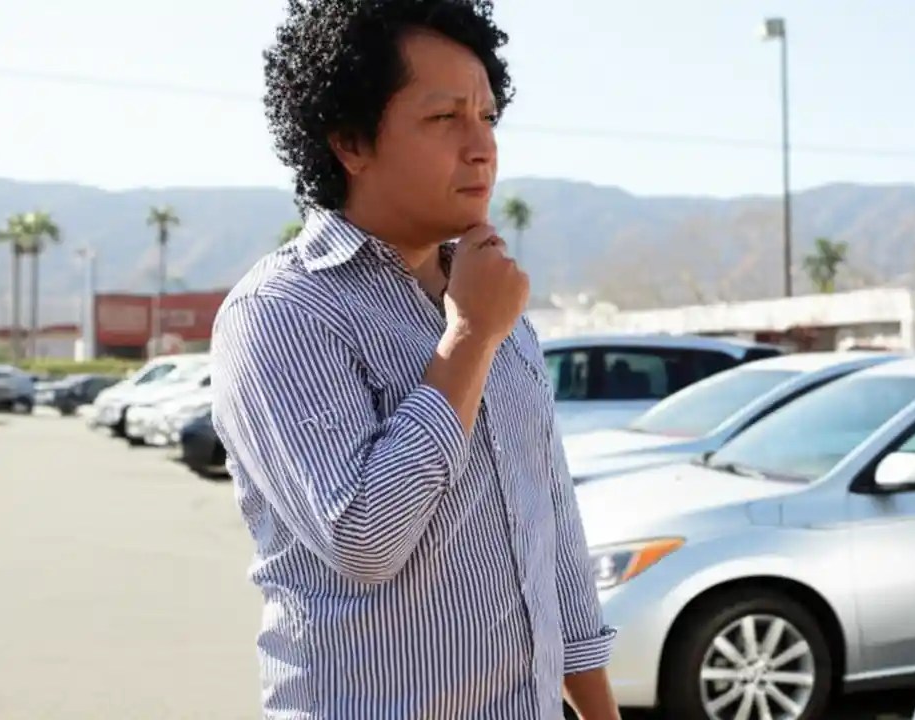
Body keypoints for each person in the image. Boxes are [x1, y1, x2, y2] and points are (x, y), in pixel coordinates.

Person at [210, 1, 618, 718]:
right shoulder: (283, 313)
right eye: (444, 119)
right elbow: (364, 536)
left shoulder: (494, 303)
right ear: (349, 142)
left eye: (488, 117)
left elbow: (552, 528)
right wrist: (467, 339)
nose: (482, 147)